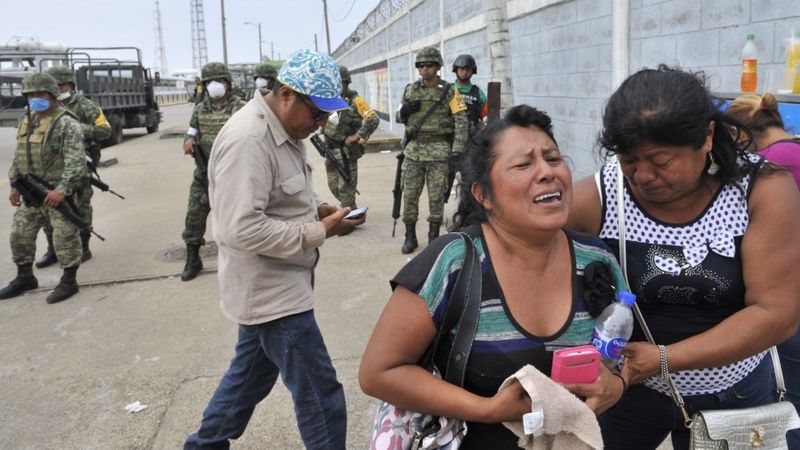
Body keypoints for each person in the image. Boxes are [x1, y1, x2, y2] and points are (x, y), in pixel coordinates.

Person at [360, 105, 628, 449]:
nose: (547, 172)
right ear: (483, 194)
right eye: (523, 164)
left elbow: (623, 350)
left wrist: (616, 384)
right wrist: (486, 409)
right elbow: (380, 372)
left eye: (553, 158)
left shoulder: (598, 260)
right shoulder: (453, 262)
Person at [566, 66, 800, 450]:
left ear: (706, 136)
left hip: (735, 393)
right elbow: (523, 234)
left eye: (660, 162)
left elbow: (776, 314)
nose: (643, 176)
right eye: (629, 160)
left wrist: (660, 359)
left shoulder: (761, 189)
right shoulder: (605, 195)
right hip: (632, 393)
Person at [183, 49, 363, 450]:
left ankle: (203, 445)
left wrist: (318, 209)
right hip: (271, 292)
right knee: (322, 396)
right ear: (286, 94)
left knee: (247, 380)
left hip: (278, 284)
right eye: (317, 114)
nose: (320, 125)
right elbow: (238, 228)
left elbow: (278, 194)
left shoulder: (287, 128)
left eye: (326, 117)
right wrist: (318, 231)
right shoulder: (248, 139)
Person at [724, 92, 800, 448]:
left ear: (742, 135)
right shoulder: (796, 149)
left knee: (789, 398)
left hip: (788, 291)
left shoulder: (767, 168)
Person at [0, 73, 88, 304]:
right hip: (30, 192)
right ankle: (25, 278)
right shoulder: (28, 120)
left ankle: (69, 281)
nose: (34, 99)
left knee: (64, 239)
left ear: (52, 95)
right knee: (20, 236)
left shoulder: (66, 123)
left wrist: (61, 190)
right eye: (29, 95)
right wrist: (14, 185)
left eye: (39, 94)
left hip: (57, 194)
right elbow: (19, 155)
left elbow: (76, 161)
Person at [31, 65, 112, 267]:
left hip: (80, 168)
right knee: (49, 210)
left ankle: (83, 246)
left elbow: (105, 131)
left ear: (71, 85)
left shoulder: (85, 106)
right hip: (49, 169)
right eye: (54, 85)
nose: (58, 88)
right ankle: (54, 250)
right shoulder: (44, 108)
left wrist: (74, 129)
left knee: (81, 208)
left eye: (62, 84)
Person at [396, 46, 468, 254]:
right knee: (409, 195)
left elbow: (460, 120)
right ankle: (410, 236)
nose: (424, 69)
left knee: (436, 197)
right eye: (420, 65)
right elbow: (400, 116)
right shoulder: (410, 90)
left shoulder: (449, 91)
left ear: (437, 67)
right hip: (413, 151)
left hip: (439, 152)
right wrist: (404, 111)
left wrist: (457, 150)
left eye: (429, 65)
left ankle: (433, 238)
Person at [179, 62, 247, 282]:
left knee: (240, 218)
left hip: (235, 174)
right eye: (210, 82)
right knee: (194, 217)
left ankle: (244, 259)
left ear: (227, 83)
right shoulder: (200, 108)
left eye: (219, 80)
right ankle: (192, 258)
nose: (215, 85)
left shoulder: (241, 107)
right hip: (204, 172)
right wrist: (188, 140)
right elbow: (191, 131)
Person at [321, 65, 379, 210]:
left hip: (346, 153)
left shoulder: (356, 101)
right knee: (333, 185)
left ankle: (349, 215)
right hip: (330, 151)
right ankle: (351, 209)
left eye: (340, 83)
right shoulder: (329, 99)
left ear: (346, 82)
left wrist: (357, 136)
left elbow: (373, 119)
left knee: (346, 188)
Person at [451, 54, 487, 137]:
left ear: (472, 71)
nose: (465, 72)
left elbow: (486, 116)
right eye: (462, 69)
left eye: (468, 69)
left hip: (472, 137)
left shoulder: (478, 92)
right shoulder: (448, 89)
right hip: (451, 137)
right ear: (456, 70)